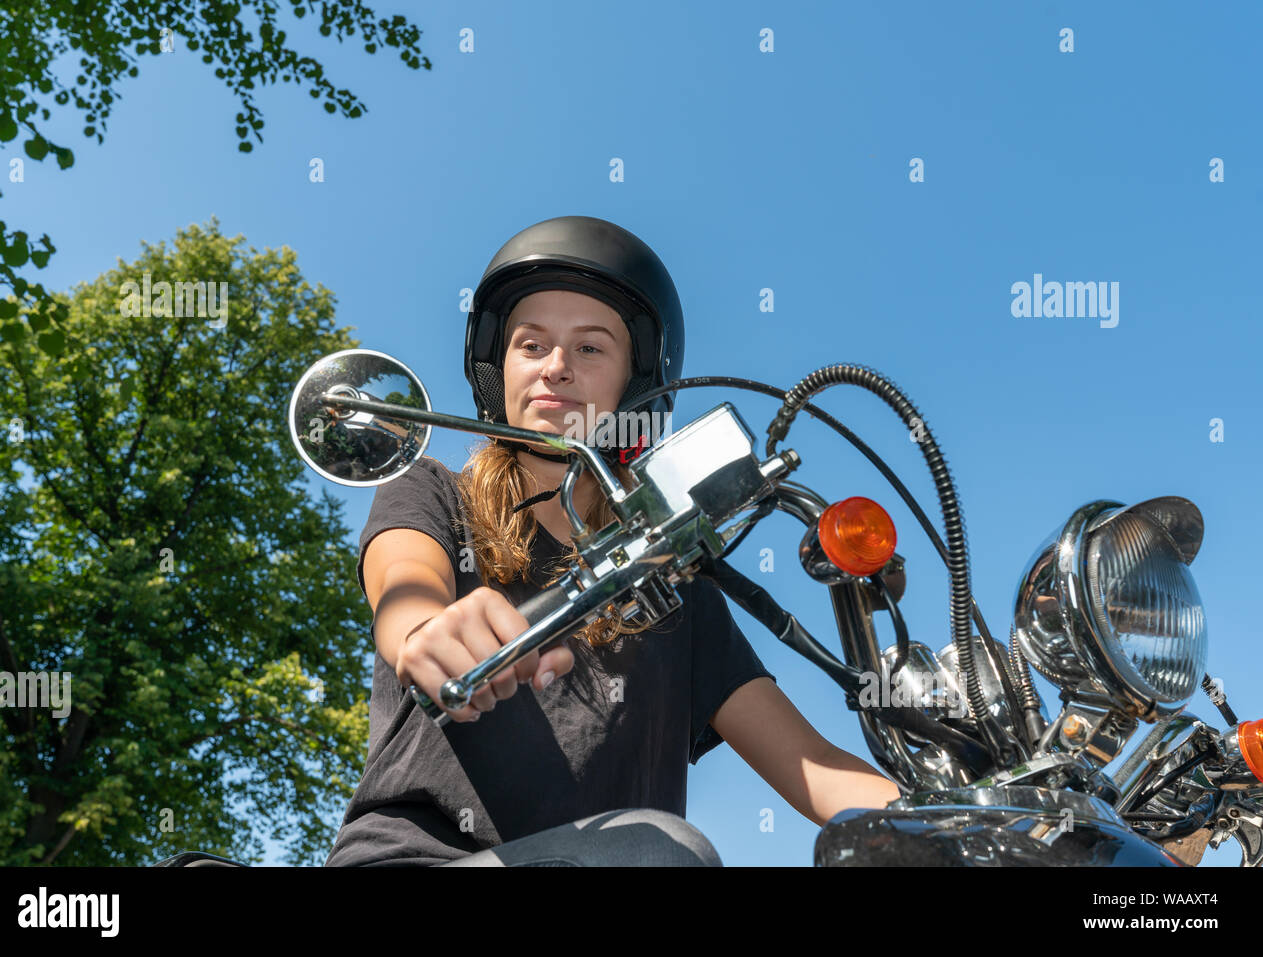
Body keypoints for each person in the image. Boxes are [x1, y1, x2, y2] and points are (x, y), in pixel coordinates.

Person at [323, 215, 900, 867]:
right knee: (662, 850)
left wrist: (959, 819)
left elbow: (815, 766)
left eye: (590, 349)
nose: (556, 369)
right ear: (497, 368)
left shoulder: (678, 586)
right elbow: (405, 590)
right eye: (531, 345)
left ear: (636, 384)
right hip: (414, 861)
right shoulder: (432, 492)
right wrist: (428, 631)